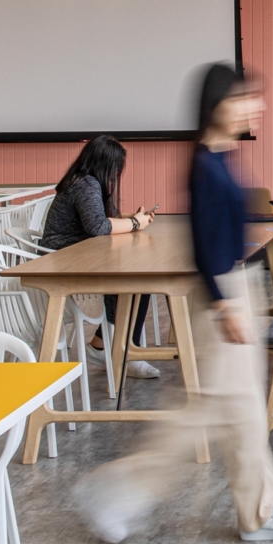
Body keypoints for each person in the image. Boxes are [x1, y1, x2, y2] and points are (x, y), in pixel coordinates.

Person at [74, 64, 273, 544]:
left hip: (239, 289)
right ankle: (116, 489)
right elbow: (204, 244)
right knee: (206, 412)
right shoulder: (205, 163)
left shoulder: (222, 157)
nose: (256, 106)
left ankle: (260, 514)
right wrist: (226, 305)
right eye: (247, 99)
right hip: (225, 296)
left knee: (241, 413)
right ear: (221, 106)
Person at [40, 135, 160, 378]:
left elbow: (102, 219)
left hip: (75, 254)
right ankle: (125, 352)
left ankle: (107, 344)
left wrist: (132, 218)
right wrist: (135, 223)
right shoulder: (86, 185)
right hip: (64, 260)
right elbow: (98, 227)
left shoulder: (83, 180)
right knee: (137, 280)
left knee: (138, 280)